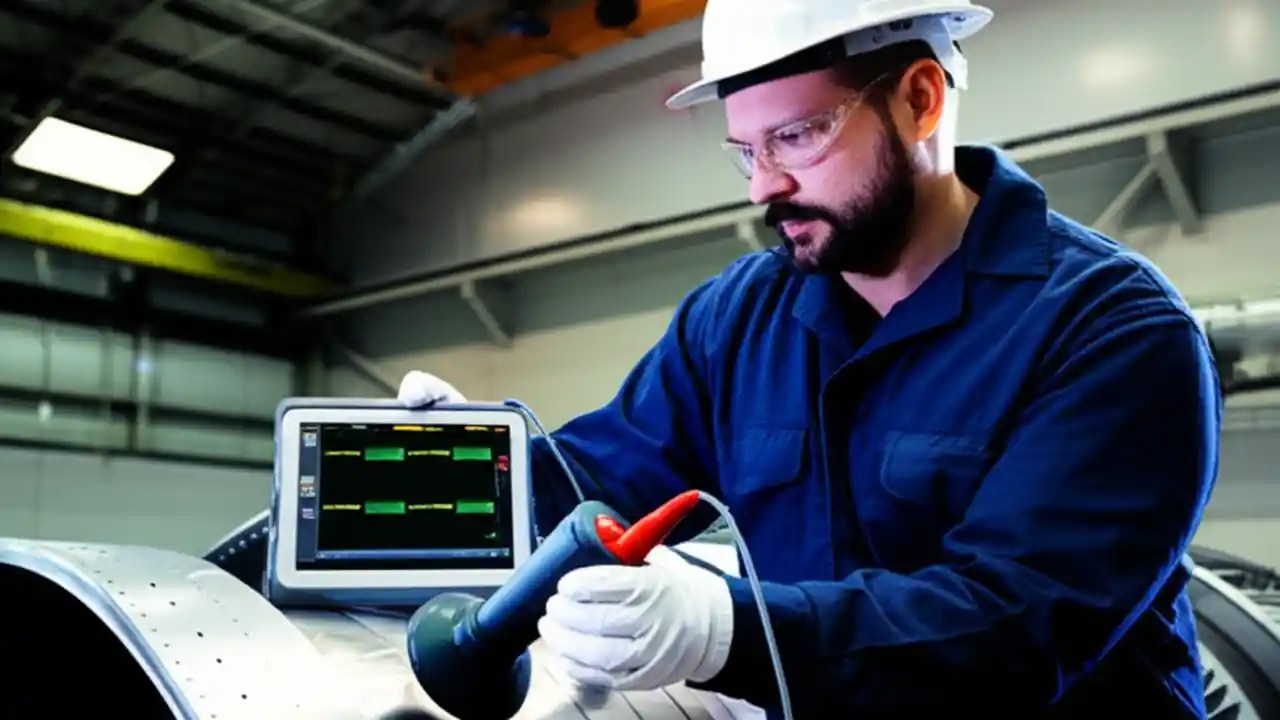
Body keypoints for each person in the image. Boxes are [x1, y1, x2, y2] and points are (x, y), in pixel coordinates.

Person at [399, 0, 1222, 715]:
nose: (764, 186)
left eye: (795, 136)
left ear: (921, 100)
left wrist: (725, 631)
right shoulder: (740, 316)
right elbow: (597, 476)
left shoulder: (1111, 330)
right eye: (747, 151)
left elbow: (1016, 625)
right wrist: (453, 470)